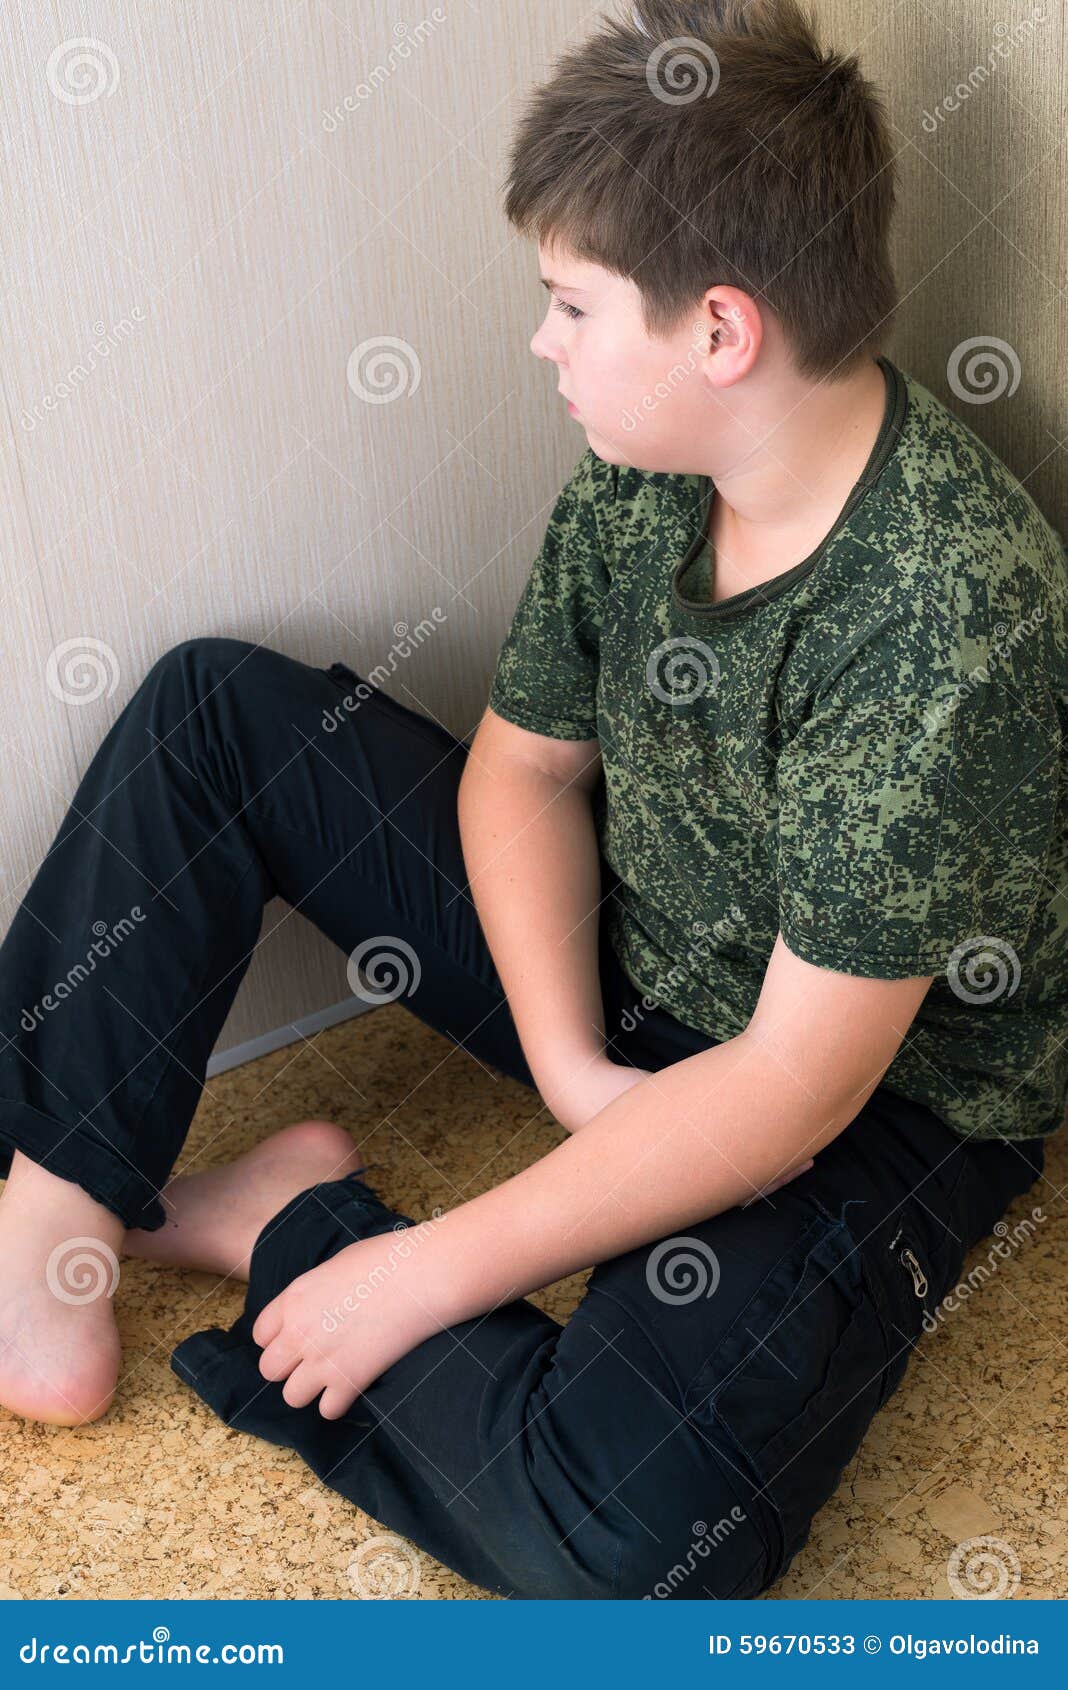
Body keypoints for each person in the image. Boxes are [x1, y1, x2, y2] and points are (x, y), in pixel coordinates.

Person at [0, 0, 1063, 1600]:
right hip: (646, 958)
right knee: (213, 712)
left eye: (569, 306)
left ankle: (287, 1220)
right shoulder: (653, 462)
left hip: (868, 1110)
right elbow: (524, 767)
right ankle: (55, 1211)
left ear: (722, 330)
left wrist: (418, 1265)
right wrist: (571, 1067)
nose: (540, 343)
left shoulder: (943, 619)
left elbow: (788, 1086)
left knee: (629, 1544)